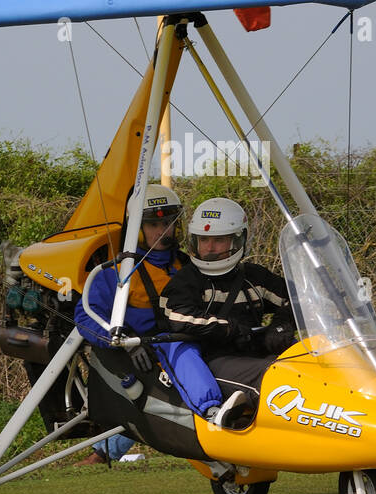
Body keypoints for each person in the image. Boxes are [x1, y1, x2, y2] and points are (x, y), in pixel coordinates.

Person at [74, 184, 221, 459]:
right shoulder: (117, 273)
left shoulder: (189, 266)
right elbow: (86, 316)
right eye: (153, 224)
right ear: (137, 228)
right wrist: (125, 341)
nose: (162, 231)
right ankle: (101, 455)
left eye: (167, 223)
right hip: (141, 356)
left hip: (187, 348)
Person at [159, 197, 296, 422]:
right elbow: (178, 318)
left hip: (253, 353)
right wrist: (228, 328)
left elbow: (297, 301)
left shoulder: (255, 277)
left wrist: (281, 325)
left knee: (307, 362)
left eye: (218, 240)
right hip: (213, 359)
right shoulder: (186, 280)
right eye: (203, 240)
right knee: (274, 374)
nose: (209, 248)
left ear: (237, 240)